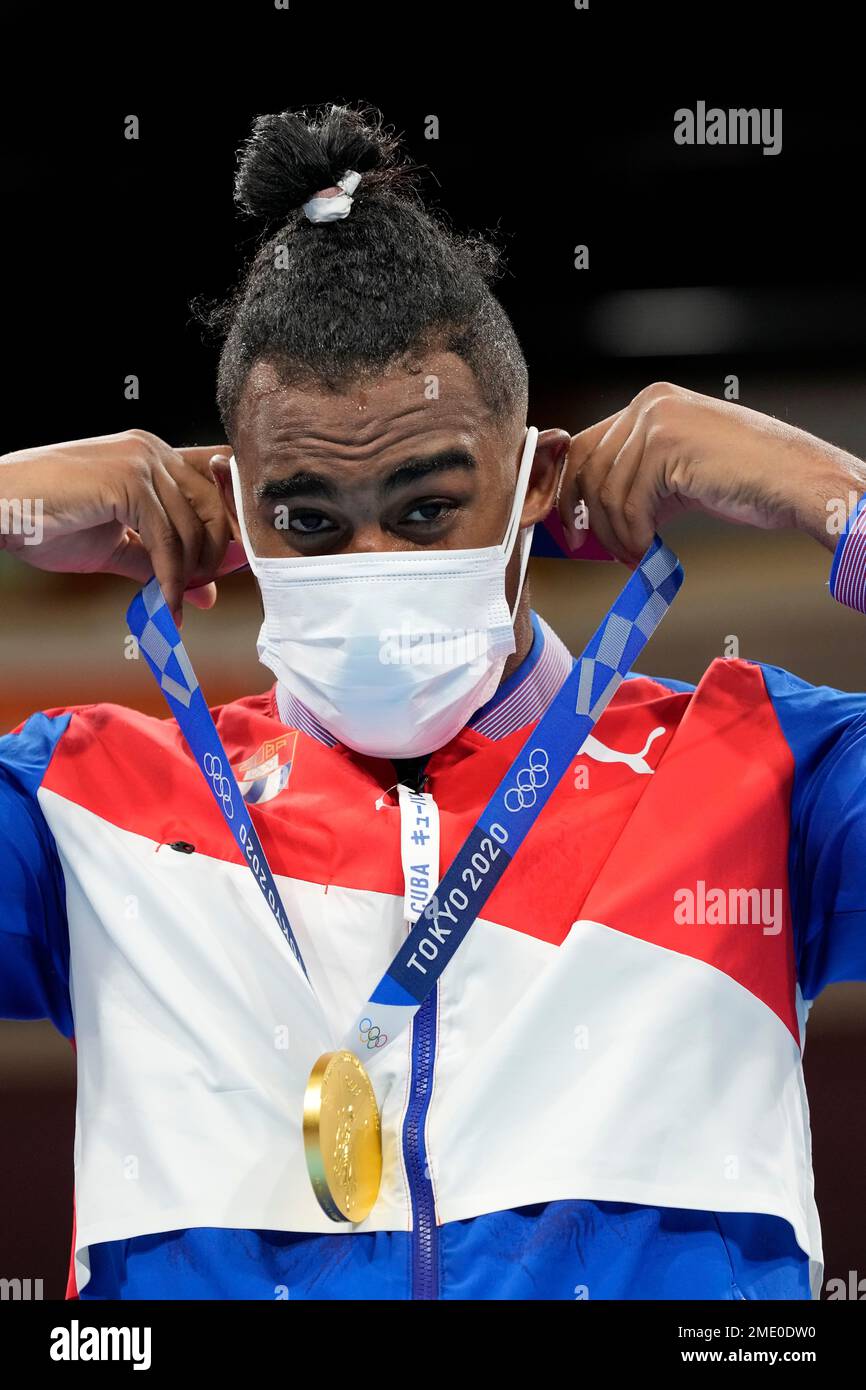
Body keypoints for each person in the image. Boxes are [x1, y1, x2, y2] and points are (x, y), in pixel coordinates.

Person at [1, 103, 864, 1302]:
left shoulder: (757, 769)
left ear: (535, 484)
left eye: (423, 509)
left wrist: (832, 497)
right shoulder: (83, 808)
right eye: (306, 517)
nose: (368, 562)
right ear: (232, 512)